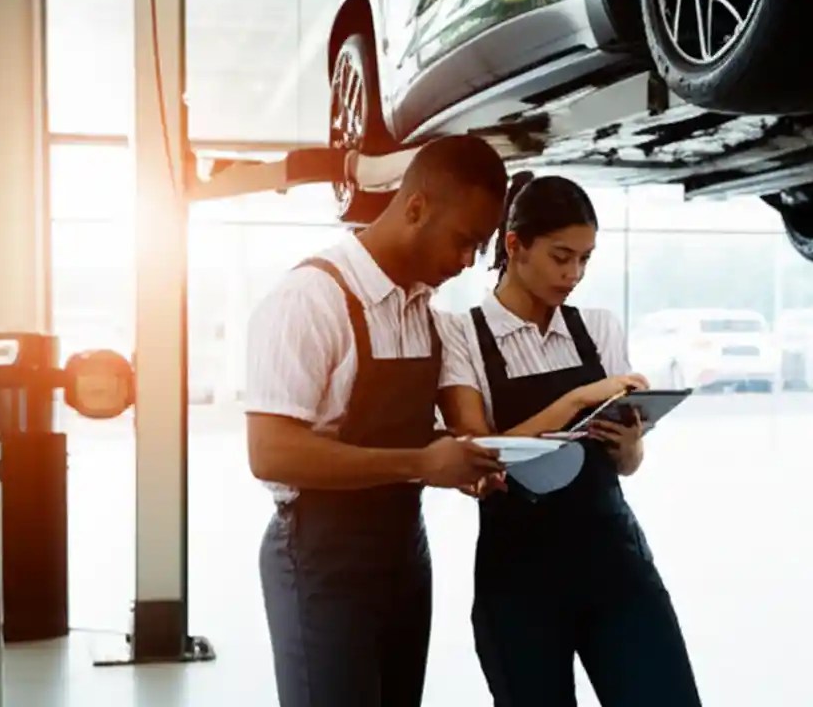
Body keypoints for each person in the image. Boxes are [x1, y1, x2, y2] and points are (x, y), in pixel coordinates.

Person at [245, 135, 511, 707]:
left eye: (480, 246)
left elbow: (413, 431)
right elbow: (271, 452)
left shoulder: (424, 312)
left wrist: (460, 461)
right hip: (319, 558)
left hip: (402, 552)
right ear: (415, 208)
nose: (468, 261)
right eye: (464, 241)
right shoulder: (310, 301)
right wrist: (420, 463)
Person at [437, 172, 702, 706]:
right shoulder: (459, 334)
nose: (574, 273)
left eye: (585, 259)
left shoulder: (598, 327)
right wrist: (578, 400)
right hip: (519, 582)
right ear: (515, 245)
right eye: (562, 256)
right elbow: (476, 453)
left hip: (616, 564)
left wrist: (630, 448)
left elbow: (626, 465)